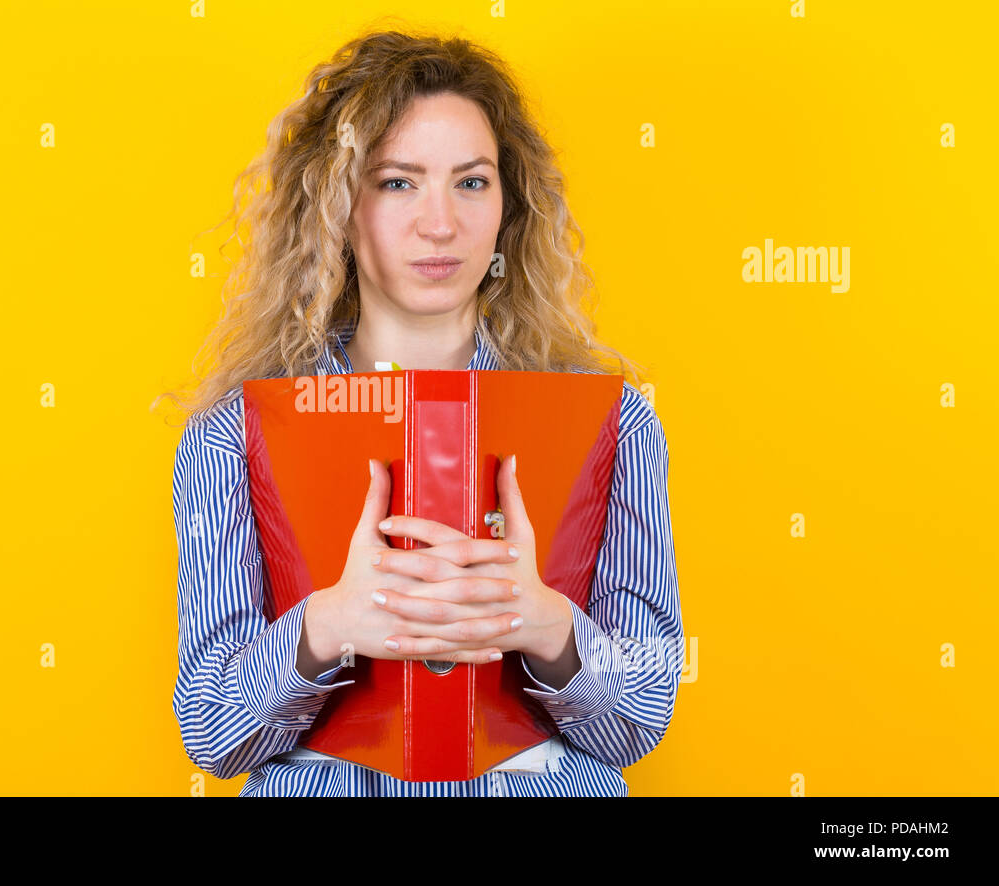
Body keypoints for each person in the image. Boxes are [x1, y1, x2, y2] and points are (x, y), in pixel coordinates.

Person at [155, 29, 683, 796]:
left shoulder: (615, 422)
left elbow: (640, 722)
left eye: (471, 182)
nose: (440, 225)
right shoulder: (231, 437)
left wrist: (545, 627)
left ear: (510, 205)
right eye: (397, 182)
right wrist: (327, 626)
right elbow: (210, 731)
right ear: (337, 205)